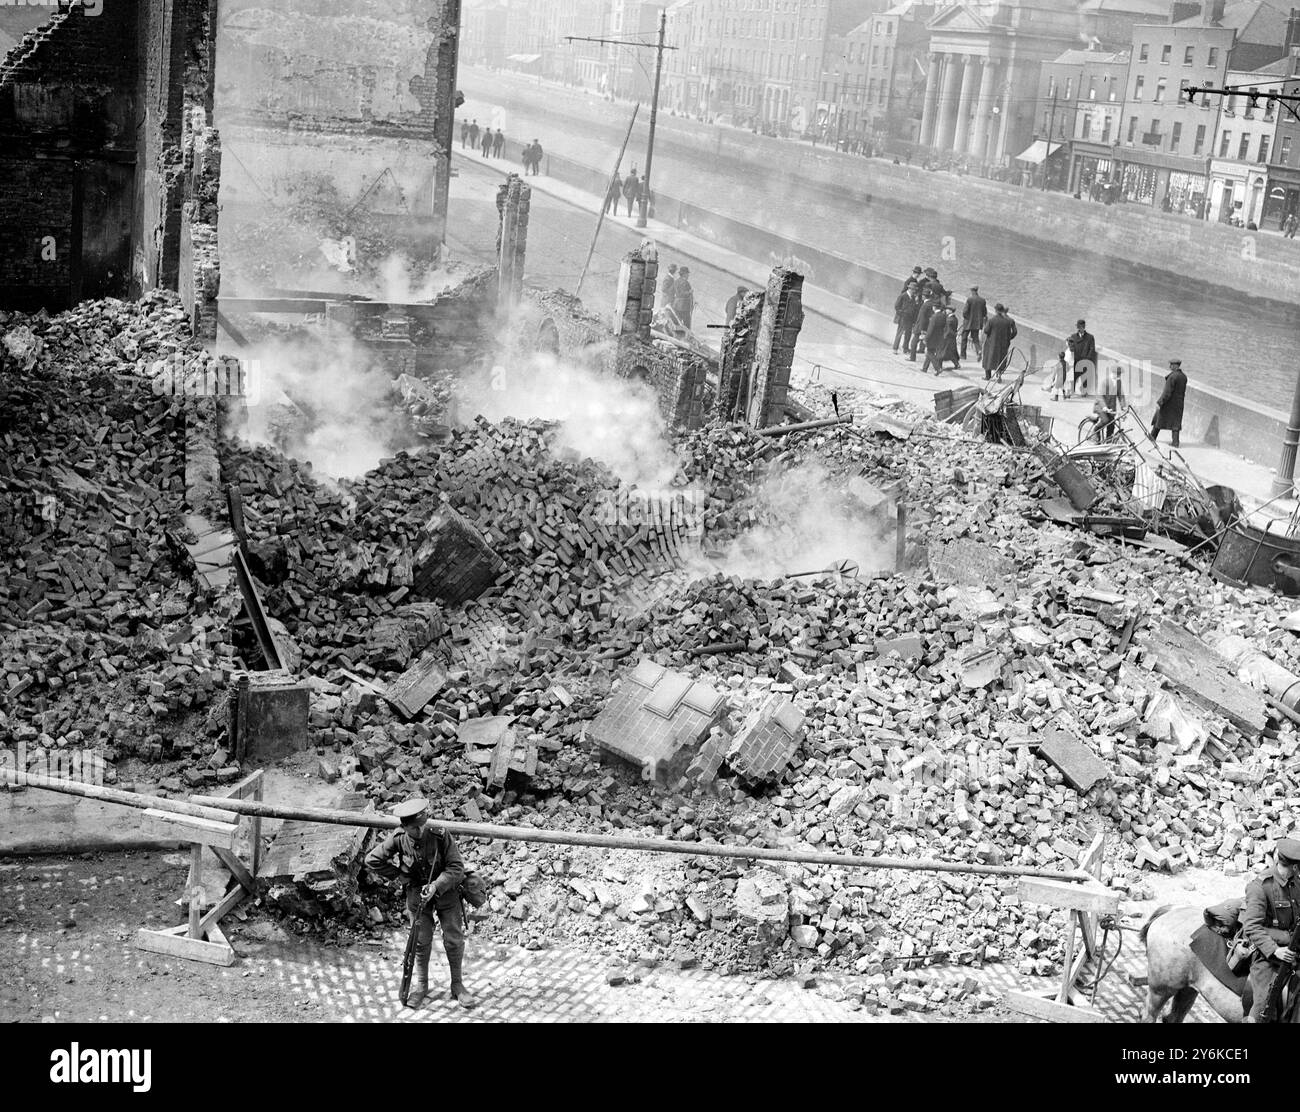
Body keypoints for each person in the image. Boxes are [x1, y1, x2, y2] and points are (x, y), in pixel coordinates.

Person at [365, 797, 475, 1010]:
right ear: (404, 827)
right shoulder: (398, 839)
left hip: (446, 894)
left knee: (453, 938)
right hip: (417, 898)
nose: (421, 830)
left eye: (423, 824)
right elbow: (372, 860)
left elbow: (456, 867)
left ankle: (457, 984)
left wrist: (436, 885)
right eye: (415, 828)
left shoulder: (440, 835)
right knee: (421, 941)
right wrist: (400, 877)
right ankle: (422, 985)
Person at [1242, 837, 1300, 1022]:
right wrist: (1276, 951)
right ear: (1295, 866)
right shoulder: (1260, 887)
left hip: (1294, 947)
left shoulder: (1296, 882)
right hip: (1267, 954)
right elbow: (1251, 925)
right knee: (1265, 1007)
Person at [1149, 358, 1187, 448]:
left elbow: (1167, 392)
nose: (1169, 366)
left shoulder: (1172, 377)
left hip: (1169, 404)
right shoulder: (1183, 376)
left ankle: (1152, 436)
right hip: (1179, 404)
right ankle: (1175, 443)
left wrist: (1159, 402)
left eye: (1171, 365)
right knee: (1176, 424)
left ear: (1175, 366)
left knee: (1159, 418)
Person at [981, 302, 1018, 382]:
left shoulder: (991, 320)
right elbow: (1014, 332)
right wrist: (1009, 338)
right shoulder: (1008, 321)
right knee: (1001, 359)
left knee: (988, 358)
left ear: (995, 311)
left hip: (992, 344)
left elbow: (986, 331)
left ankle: (988, 376)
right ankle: (999, 375)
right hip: (1003, 344)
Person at [1065, 319, 1097, 398]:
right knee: (1073, 377)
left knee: (1084, 377)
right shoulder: (1073, 336)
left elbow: (1092, 349)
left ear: (1084, 327)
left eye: (1081, 327)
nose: (1080, 329)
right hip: (1075, 360)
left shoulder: (1090, 337)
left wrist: (1087, 359)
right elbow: (1071, 347)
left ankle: (1084, 391)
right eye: (1079, 327)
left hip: (1085, 360)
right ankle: (1071, 391)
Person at [920, 303, 949, 374]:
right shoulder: (943, 316)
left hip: (932, 338)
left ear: (934, 307)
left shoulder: (934, 317)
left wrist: (925, 339)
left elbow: (930, 330)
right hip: (939, 338)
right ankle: (925, 368)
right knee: (931, 352)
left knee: (929, 353)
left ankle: (938, 368)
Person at [892, 280, 920, 354]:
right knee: (900, 333)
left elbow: (915, 308)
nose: (914, 291)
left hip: (910, 319)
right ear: (910, 289)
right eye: (913, 290)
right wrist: (902, 314)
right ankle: (895, 348)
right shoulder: (903, 296)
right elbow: (897, 306)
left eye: (915, 290)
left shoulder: (913, 297)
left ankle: (905, 348)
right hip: (903, 318)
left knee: (908, 334)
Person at [961, 285, 986, 360]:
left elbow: (965, 312)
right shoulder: (982, 300)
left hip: (968, 322)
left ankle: (963, 355)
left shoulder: (969, 299)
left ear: (972, 291)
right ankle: (979, 350)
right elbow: (984, 313)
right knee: (975, 338)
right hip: (977, 323)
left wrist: (966, 318)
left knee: (964, 338)